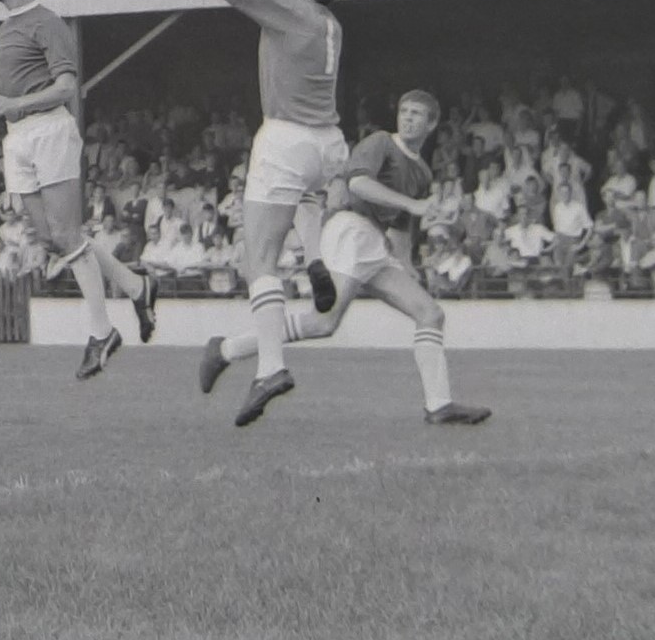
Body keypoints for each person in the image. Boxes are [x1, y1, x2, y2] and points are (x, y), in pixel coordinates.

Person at [202, 91, 489, 425]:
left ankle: (439, 406)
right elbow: (358, 184)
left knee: (430, 313)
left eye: (417, 114)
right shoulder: (381, 142)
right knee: (324, 323)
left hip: (375, 244)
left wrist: (408, 266)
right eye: (405, 111)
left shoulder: (422, 172)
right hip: (350, 230)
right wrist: (412, 205)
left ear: (432, 123)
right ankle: (224, 351)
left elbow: (400, 228)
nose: (408, 118)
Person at [0, 0, 158, 378]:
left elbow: (66, 88)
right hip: (17, 135)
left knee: (65, 233)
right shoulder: (7, 27)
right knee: (49, 237)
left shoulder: (48, 21)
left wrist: (13, 104)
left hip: (49, 131)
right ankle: (137, 286)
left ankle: (102, 333)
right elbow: (9, 98)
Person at [193, 0, 347, 427]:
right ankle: (314, 256)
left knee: (257, 261)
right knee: (301, 210)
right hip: (328, 143)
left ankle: (271, 368)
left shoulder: (296, 15)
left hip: (288, 138)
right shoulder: (328, 23)